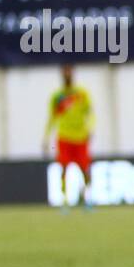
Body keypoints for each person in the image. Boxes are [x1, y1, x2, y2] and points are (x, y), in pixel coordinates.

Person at [43, 64, 95, 209]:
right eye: (65, 72)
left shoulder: (82, 94)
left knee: (85, 170)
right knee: (64, 168)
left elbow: (90, 113)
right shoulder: (57, 96)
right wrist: (46, 138)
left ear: (72, 74)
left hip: (80, 137)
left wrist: (90, 128)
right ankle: (65, 200)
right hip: (64, 137)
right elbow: (51, 118)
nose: (67, 75)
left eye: (69, 72)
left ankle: (87, 198)